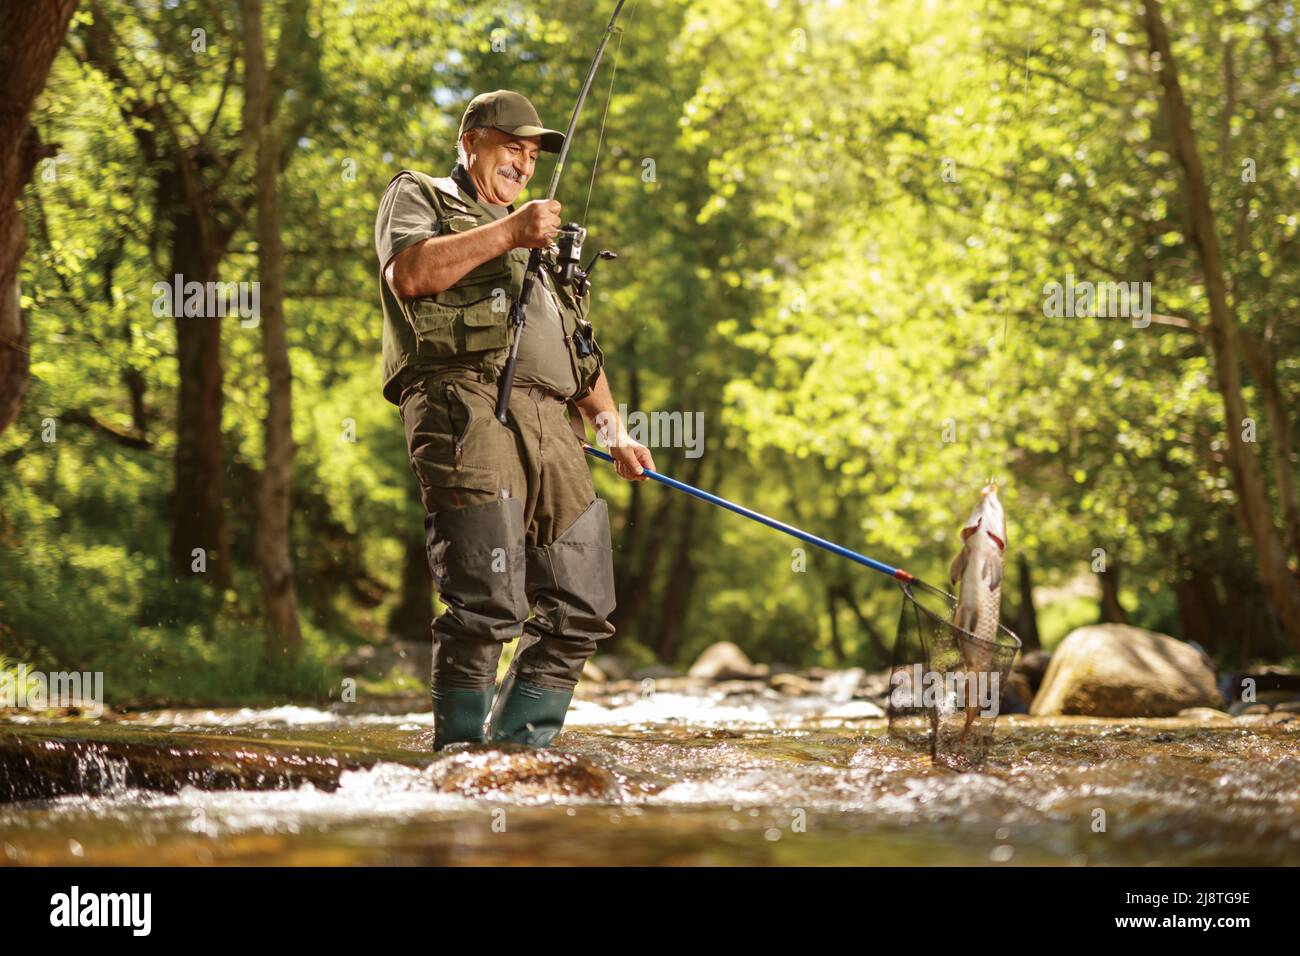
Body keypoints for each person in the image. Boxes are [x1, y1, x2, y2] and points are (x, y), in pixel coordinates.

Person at [374, 89, 655, 749]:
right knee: (487, 600)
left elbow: (580, 351)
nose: (524, 166)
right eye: (512, 148)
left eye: (532, 155)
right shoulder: (419, 194)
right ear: (470, 141)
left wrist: (614, 432)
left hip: (556, 424)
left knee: (581, 606)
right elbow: (408, 274)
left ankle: (518, 757)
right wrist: (510, 232)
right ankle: (462, 764)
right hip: (465, 403)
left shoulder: (542, 239)